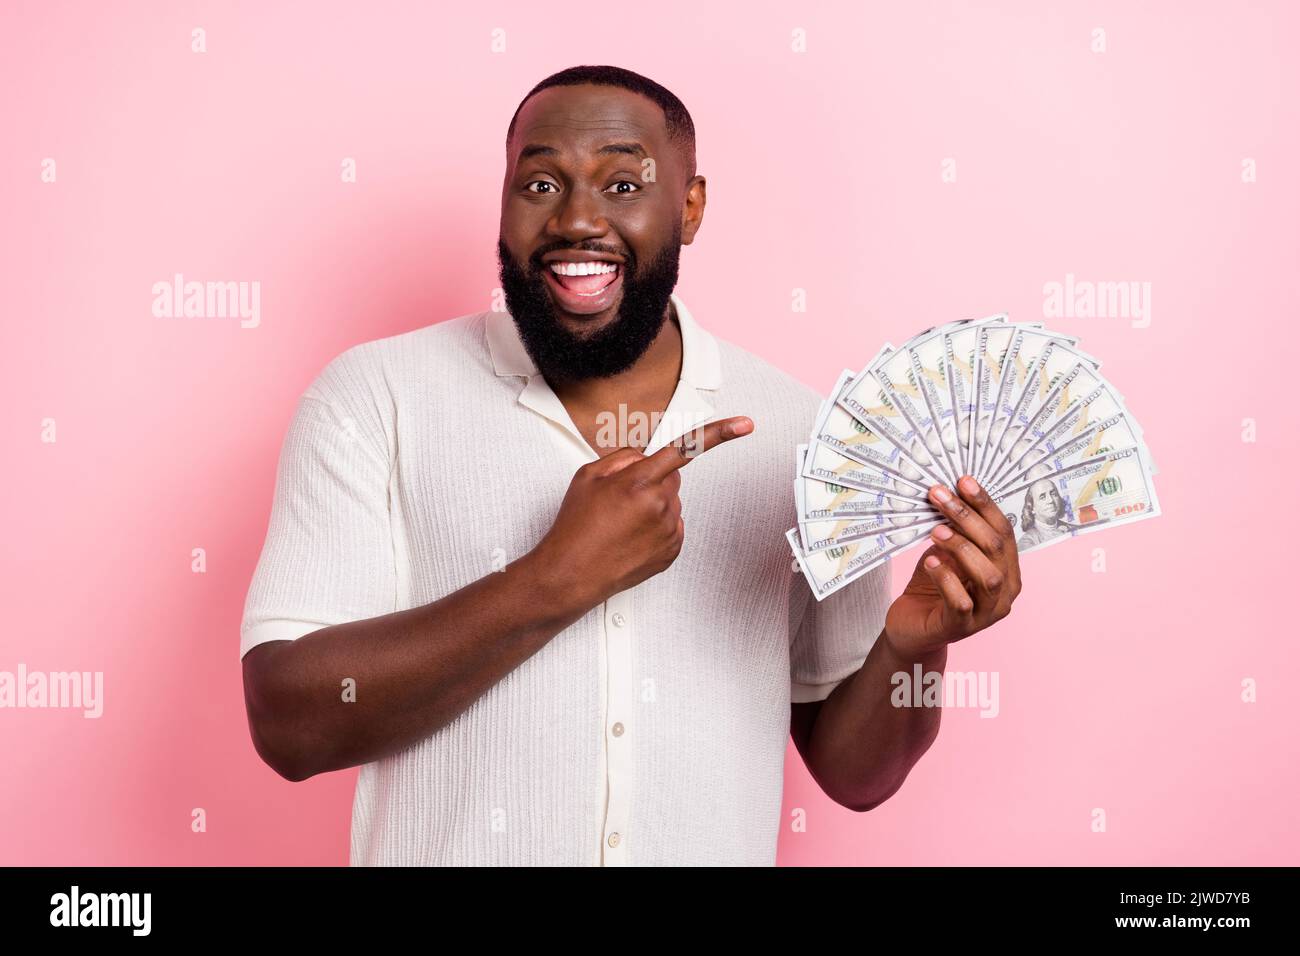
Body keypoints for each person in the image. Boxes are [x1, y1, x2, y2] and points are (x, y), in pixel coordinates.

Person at [239, 65, 1023, 866]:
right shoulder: (376, 398)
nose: (578, 219)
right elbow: (289, 723)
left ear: (690, 208)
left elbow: (857, 776)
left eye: (623, 183)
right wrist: (556, 578)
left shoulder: (813, 439)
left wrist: (913, 647)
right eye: (540, 182)